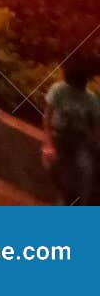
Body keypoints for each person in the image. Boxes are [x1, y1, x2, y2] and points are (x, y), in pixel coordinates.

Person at [42, 57, 100, 205]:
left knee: (86, 170)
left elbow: (96, 126)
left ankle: (80, 205)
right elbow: (47, 118)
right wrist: (48, 144)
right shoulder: (58, 90)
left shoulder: (91, 99)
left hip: (79, 141)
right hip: (58, 136)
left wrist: (94, 143)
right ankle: (66, 197)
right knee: (51, 165)